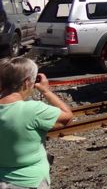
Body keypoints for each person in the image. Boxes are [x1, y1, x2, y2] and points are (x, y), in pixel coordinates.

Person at [0, 57, 73, 189]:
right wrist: (46, 91)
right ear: (27, 82)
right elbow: (67, 117)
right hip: (29, 181)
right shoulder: (33, 110)